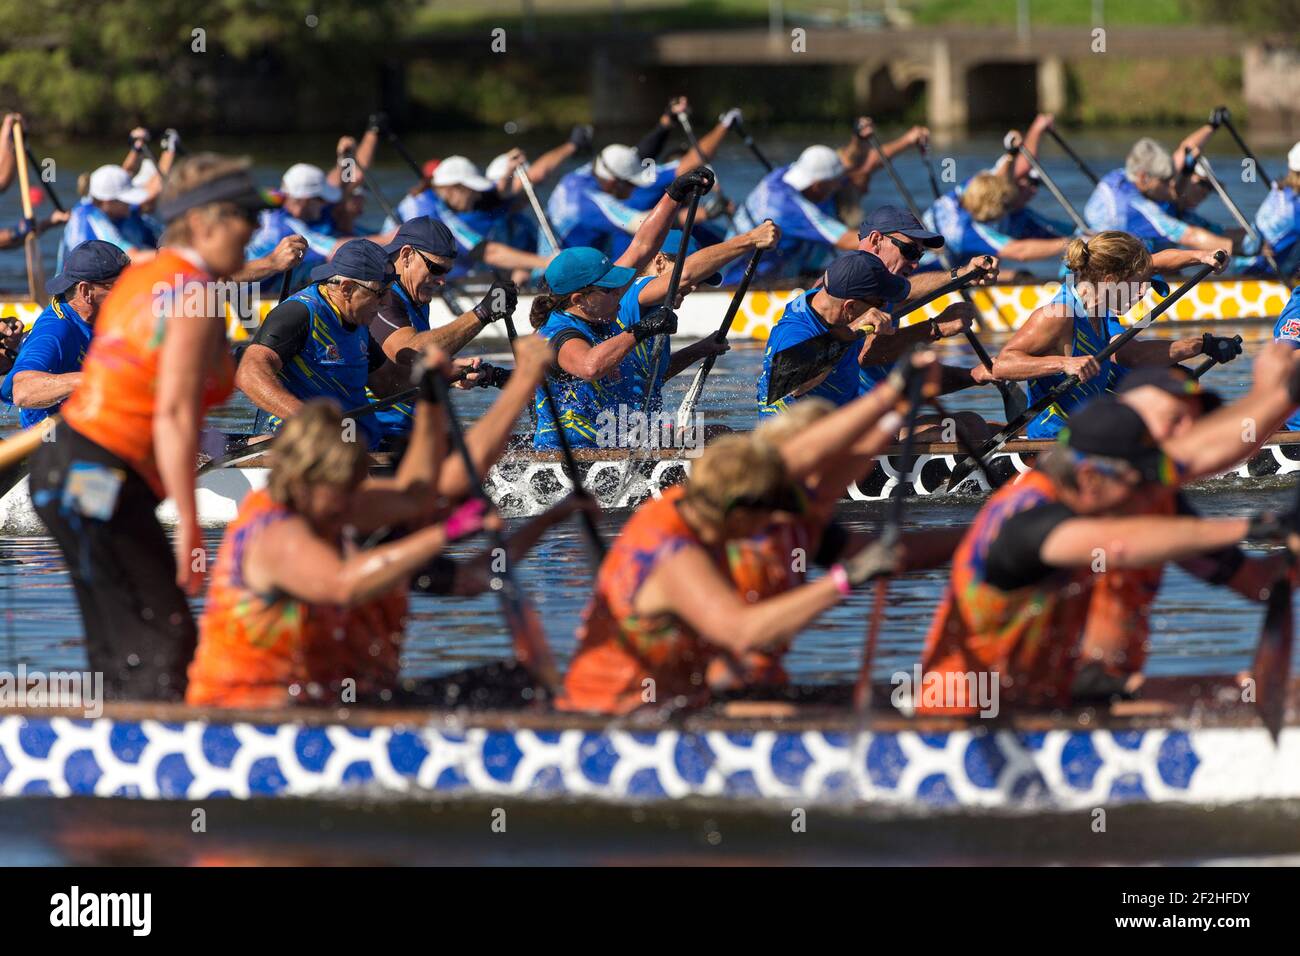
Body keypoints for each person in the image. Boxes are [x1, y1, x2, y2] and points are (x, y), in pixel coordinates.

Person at [31, 152, 265, 701]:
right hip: (94, 475)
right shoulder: (190, 293)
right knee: (167, 637)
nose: (254, 233)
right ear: (205, 222)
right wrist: (188, 525)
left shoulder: (145, 280)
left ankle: (106, 736)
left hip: (69, 469)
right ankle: (144, 752)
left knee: (125, 635)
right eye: (246, 220)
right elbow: (177, 411)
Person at [917, 398, 1291, 714]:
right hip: (965, 721)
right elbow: (1118, 544)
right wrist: (1254, 527)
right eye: (1137, 483)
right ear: (1091, 478)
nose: (1147, 496)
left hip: (1055, 699)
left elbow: (1202, 458)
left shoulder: (1087, 495)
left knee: (1244, 690)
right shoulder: (1026, 520)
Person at [558, 429, 904, 715]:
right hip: (611, 718)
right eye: (769, 512)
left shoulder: (700, 509)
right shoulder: (676, 554)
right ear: (740, 510)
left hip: (675, 706)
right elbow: (742, 632)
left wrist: (891, 405)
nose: (772, 524)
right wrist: (847, 578)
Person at [1074, 368, 1288, 697]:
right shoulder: (1054, 494)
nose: (1188, 434)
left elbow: (1258, 584)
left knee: (1242, 690)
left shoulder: (1164, 504)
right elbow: (1125, 542)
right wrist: (1246, 527)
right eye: (1175, 419)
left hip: (1109, 688)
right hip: (1025, 699)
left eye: (1194, 422)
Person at [528, 166, 716, 449]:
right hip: (575, 457)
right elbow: (590, 367)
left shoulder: (599, 316)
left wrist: (673, 195)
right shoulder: (557, 332)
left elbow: (642, 246)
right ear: (579, 299)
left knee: (719, 436)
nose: (620, 291)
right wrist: (641, 330)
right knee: (713, 445)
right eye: (610, 289)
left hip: (621, 442)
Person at [993, 231, 1241, 438]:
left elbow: (1158, 262)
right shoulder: (1060, 314)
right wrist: (1064, 363)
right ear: (1111, 280)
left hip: (1090, 432)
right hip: (1054, 441)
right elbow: (1003, 365)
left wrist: (1201, 256)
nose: (1142, 293)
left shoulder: (1099, 309)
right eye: (1139, 283)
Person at [756, 251, 992, 442]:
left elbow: (908, 295)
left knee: (972, 423)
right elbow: (793, 386)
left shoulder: (828, 299)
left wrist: (960, 276)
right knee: (955, 435)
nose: (887, 306)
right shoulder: (796, 332)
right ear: (849, 308)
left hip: (847, 431)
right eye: (881, 302)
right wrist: (854, 331)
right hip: (802, 448)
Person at [236, 238, 393, 451]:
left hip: (355, 448)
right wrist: (311, 420)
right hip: (306, 451)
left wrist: (438, 375)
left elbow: (388, 383)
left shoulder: (357, 319)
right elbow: (248, 373)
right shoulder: (299, 313)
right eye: (380, 293)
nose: (387, 302)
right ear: (346, 288)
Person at [366, 217, 517, 438]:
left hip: (414, 430)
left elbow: (406, 367)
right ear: (407, 255)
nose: (442, 281)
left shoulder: (415, 294)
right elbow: (408, 352)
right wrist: (483, 313)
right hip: (382, 434)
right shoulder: (380, 295)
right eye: (436, 268)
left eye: (447, 272)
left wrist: (462, 373)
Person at [1, 240, 129, 426]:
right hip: (51, 441)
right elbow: (22, 390)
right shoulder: (55, 330)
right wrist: (93, 378)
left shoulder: (105, 316)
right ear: (86, 291)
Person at [392, 155, 552, 284]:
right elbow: (487, 252)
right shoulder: (431, 210)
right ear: (454, 188)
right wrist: (545, 262)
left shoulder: (433, 201)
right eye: (472, 190)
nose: (477, 196)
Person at [1083, 137, 1229, 255]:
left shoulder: (1121, 175)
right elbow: (1190, 236)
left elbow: (1182, 152)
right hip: (1093, 279)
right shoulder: (1136, 208)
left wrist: (1212, 126)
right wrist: (1249, 247)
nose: (1172, 186)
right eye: (1165, 181)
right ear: (1143, 177)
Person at [57, 164, 161, 268]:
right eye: (126, 200)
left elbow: (151, 196)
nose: (130, 203)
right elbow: (131, 258)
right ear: (107, 202)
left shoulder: (108, 207)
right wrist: (172, 253)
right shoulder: (92, 219)